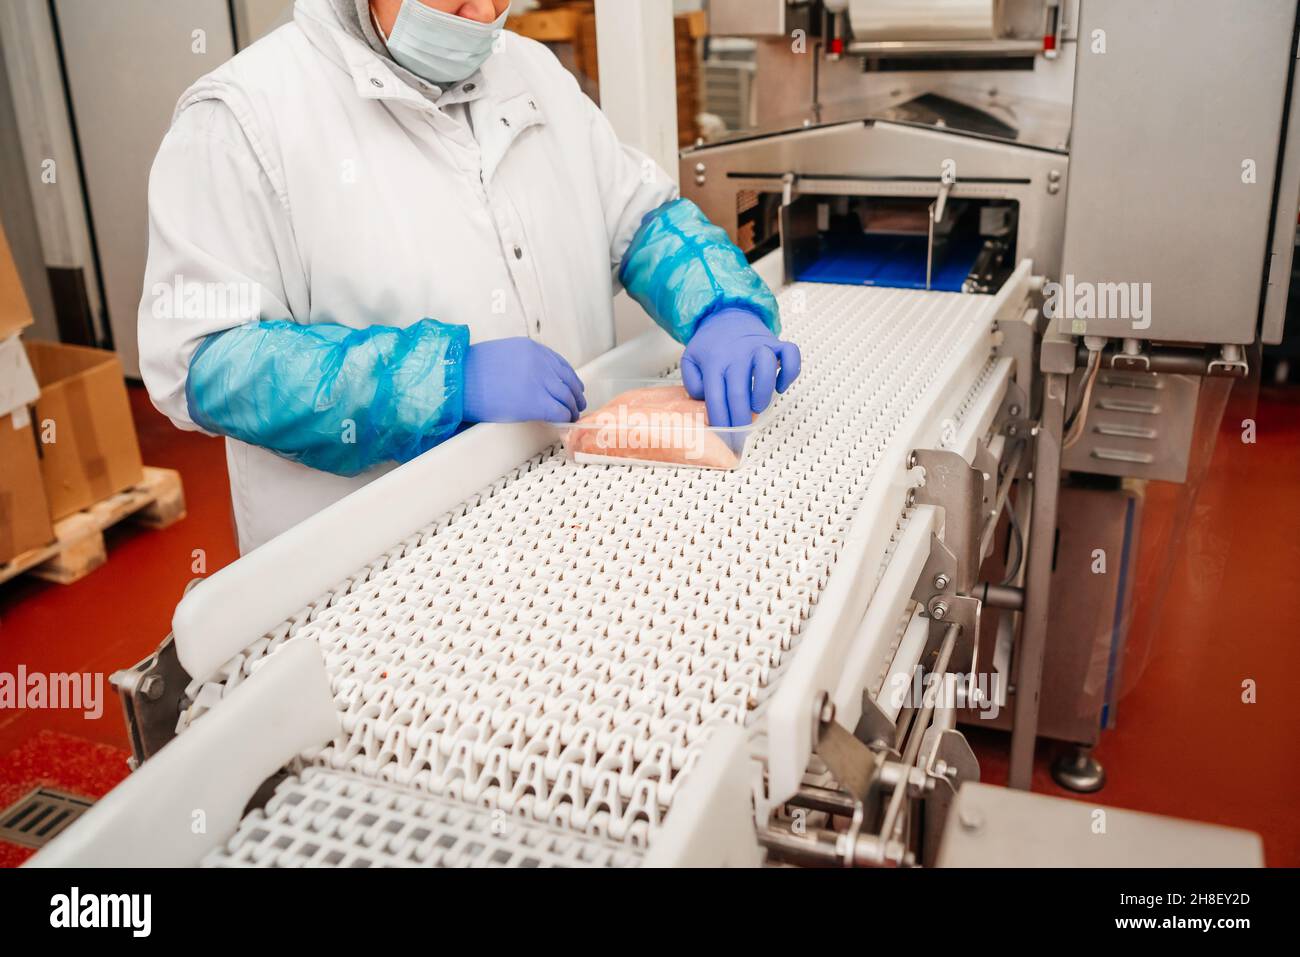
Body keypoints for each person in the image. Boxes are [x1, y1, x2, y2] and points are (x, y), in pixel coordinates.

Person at [138, 0, 800, 554]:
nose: (484, 13)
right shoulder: (241, 118)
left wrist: (721, 306)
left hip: (569, 522)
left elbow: (642, 221)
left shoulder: (531, 70)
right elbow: (209, 361)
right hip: (367, 582)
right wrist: (439, 382)